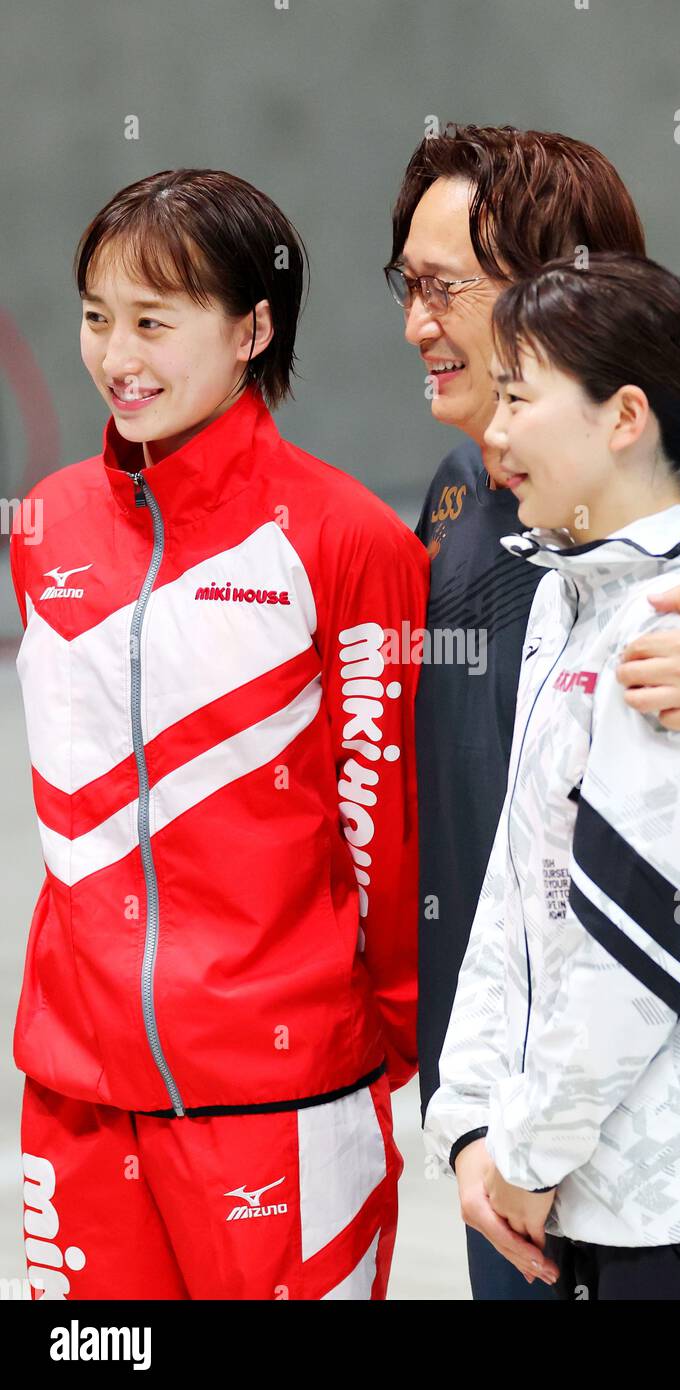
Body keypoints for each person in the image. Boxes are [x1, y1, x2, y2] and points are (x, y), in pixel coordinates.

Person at [385, 124, 680, 1298]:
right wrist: (468, 1115)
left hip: (651, 1141)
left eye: (446, 288)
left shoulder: (665, 526)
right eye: (406, 284)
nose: (415, 324)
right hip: (503, 1117)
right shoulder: (467, 496)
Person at [11, 168, 429, 1300]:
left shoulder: (346, 540)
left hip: (280, 1104)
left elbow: (383, 832)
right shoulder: (42, 524)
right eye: (98, 318)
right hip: (79, 1098)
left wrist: (383, 1042)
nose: (116, 355)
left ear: (252, 329)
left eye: (154, 320)